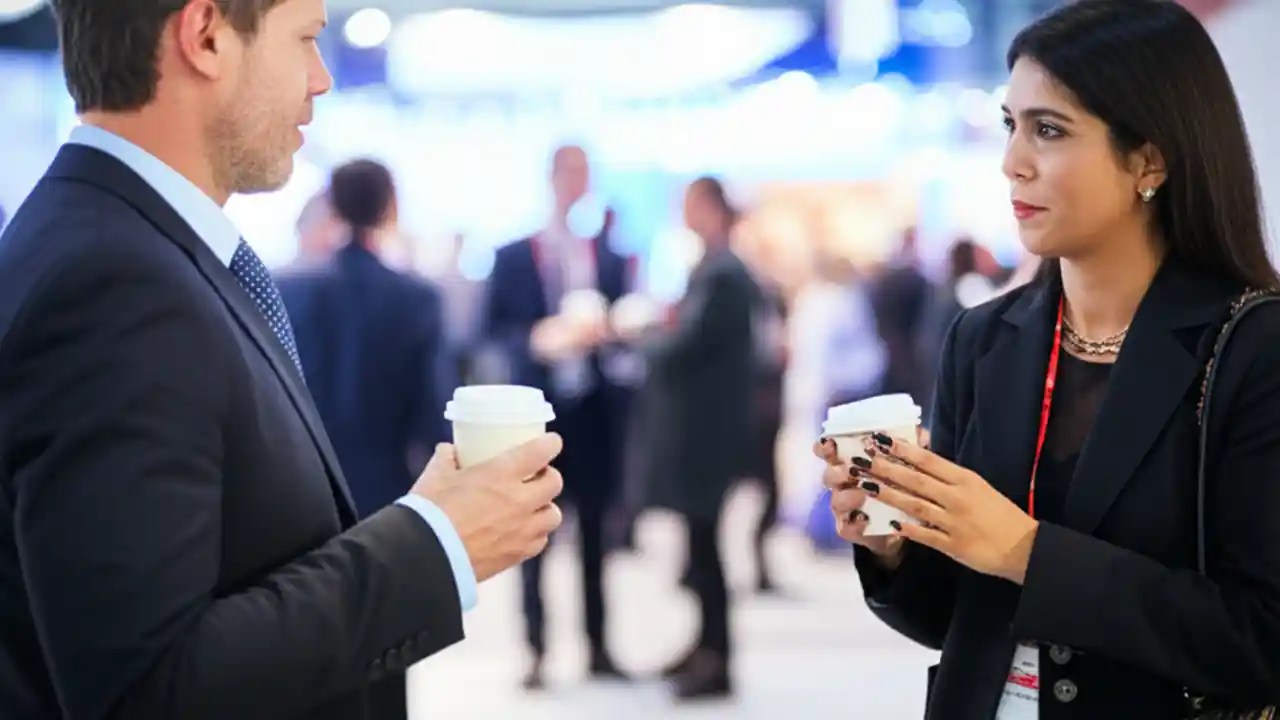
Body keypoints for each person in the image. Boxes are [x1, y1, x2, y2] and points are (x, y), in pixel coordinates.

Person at [0, 2, 563, 718]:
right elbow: (150, 688)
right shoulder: (115, 282)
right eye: (304, 39)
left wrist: (428, 516)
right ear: (206, 36)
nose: (321, 78)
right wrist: (434, 543)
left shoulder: (129, 245)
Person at [820, 1, 1280, 717]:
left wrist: (1026, 552)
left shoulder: (1254, 347)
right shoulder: (983, 339)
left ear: (1149, 160)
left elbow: (1261, 640)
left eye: (1049, 130)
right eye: (1011, 124)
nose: (1012, 162)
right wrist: (895, 543)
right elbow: (959, 621)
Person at [484, 144, 633, 690]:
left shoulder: (609, 255)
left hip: (594, 409)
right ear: (551, 177)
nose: (576, 182)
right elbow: (491, 332)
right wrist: (537, 340)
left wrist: (610, 330)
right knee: (532, 536)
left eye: (583, 173)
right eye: (568, 172)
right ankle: (536, 649)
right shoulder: (515, 254)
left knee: (596, 534)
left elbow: (625, 326)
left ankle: (598, 646)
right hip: (539, 413)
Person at [643, 176, 761, 701]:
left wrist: (643, 338)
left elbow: (686, 344)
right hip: (703, 431)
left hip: (709, 435)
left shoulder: (724, 275)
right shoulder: (715, 269)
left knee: (708, 547)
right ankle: (705, 645)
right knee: (699, 545)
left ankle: (717, 659)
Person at [279, 159, 449, 522]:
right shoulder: (416, 299)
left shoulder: (289, 291)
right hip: (389, 491)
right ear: (390, 207)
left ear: (333, 206)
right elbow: (432, 408)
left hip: (304, 487)